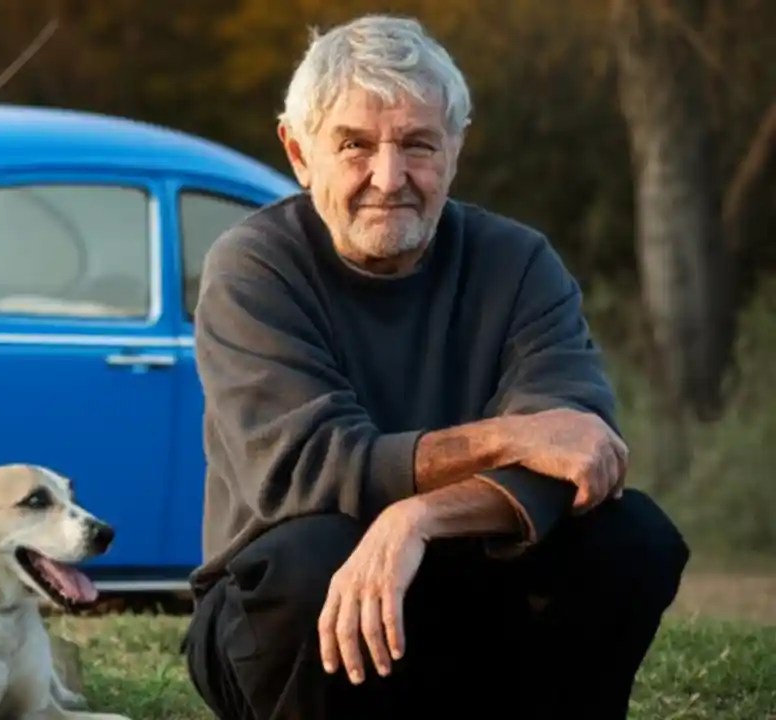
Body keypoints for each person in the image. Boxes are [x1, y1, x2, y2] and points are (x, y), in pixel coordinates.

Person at [180, 13, 690, 720]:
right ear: (299, 154)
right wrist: (510, 438)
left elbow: (580, 457)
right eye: (354, 145)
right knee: (316, 551)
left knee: (632, 537)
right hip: (280, 616)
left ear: (455, 149)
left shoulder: (519, 263)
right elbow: (309, 469)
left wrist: (418, 518)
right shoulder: (253, 266)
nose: (388, 178)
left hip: (467, 597)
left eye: (417, 144)